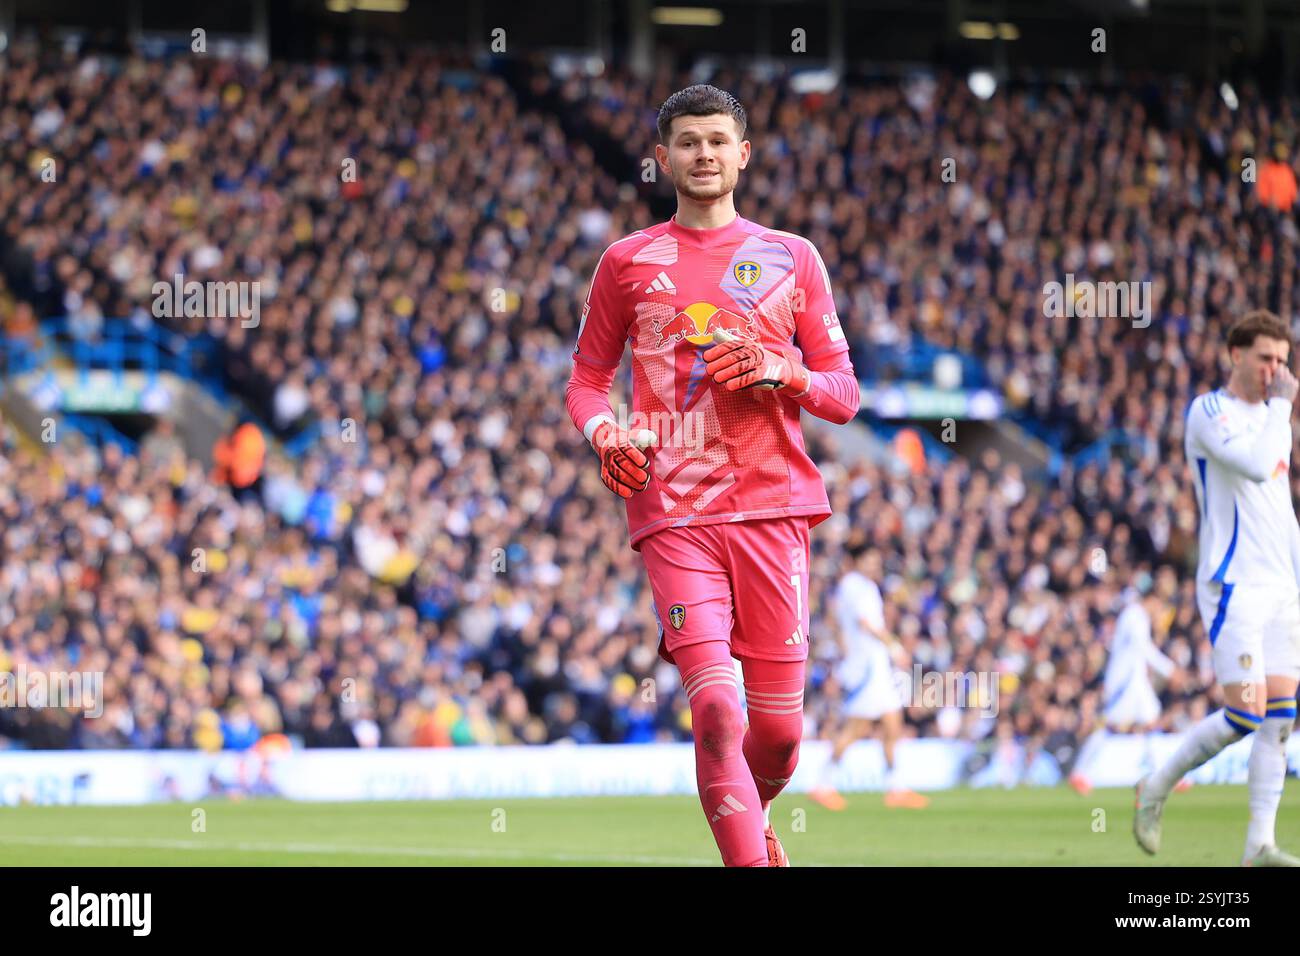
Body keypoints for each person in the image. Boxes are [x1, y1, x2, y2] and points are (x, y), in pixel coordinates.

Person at [565, 84, 860, 866]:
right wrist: (606, 433)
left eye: (717, 141)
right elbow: (587, 380)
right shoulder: (626, 262)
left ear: (743, 154)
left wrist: (781, 370)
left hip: (773, 508)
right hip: (671, 509)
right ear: (662, 159)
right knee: (719, 714)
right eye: (687, 142)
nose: (703, 154)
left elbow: (843, 394)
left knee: (781, 736)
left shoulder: (790, 257)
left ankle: (752, 821)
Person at [1134, 310, 1300, 866]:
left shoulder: (1276, 419)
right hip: (1235, 582)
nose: (1274, 371)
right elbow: (1254, 467)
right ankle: (1156, 783)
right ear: (1236, 355)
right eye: (1264, 359)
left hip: (1281, 584)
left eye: (1281, 361)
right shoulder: (1209, 412)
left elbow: (1278, 503)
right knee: (1245, 713)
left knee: (1280, 717)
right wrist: (1282, 407)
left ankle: (1258, 846)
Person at [811, 544, 929, 809]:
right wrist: (894, 646)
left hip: (873, 666)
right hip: (867, 668)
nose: (875, 565)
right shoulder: (856, 586)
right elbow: (866, 624)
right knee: (856, 729)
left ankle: (895, 787)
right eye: (870, 560)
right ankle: (823, 783)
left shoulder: (857, 587)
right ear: (857, 561)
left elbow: (839, 622)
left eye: (877, 560)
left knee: (892, 722)